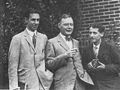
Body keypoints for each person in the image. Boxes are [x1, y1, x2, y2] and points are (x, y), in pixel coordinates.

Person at [45, 14, 93, 90]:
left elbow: (79, 62)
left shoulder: (76, 42)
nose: (69, 27)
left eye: (71, 24)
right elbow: (49, 64)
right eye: (66, 24)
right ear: (59, 25)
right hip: (63, 84)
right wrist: (65, 55)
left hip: (79, 84)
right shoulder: (52, 42)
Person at [8, 8, 52, 90]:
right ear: (26, 20)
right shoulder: (17, 39)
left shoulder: (43, 38)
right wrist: (14, 87)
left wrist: (48, 76)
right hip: (26, 84)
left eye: (38, 20)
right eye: (33, 20)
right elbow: (12, 66)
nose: (36, 23)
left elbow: (48, 60)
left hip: (42, 84)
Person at [81, 23, 120, 90]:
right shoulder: (86, 49)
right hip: (93, 86)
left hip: (110, 85)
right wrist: (88, 66)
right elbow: (83, 65)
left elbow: (118, 65)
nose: (91, 35)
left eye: (94, 33)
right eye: (90, 33)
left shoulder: (110, 47)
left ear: (101, 34)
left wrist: (105, 67)